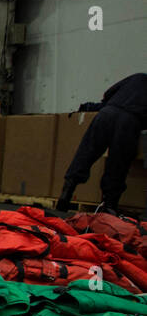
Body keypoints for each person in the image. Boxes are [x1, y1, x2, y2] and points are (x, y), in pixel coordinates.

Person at [56, 73, 147, 215]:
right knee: (117, 163)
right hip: (130, 121)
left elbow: (109, 92)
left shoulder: (138, 77)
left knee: (86, 153)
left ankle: (67, 191)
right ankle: (109, 205)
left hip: (106, 113)